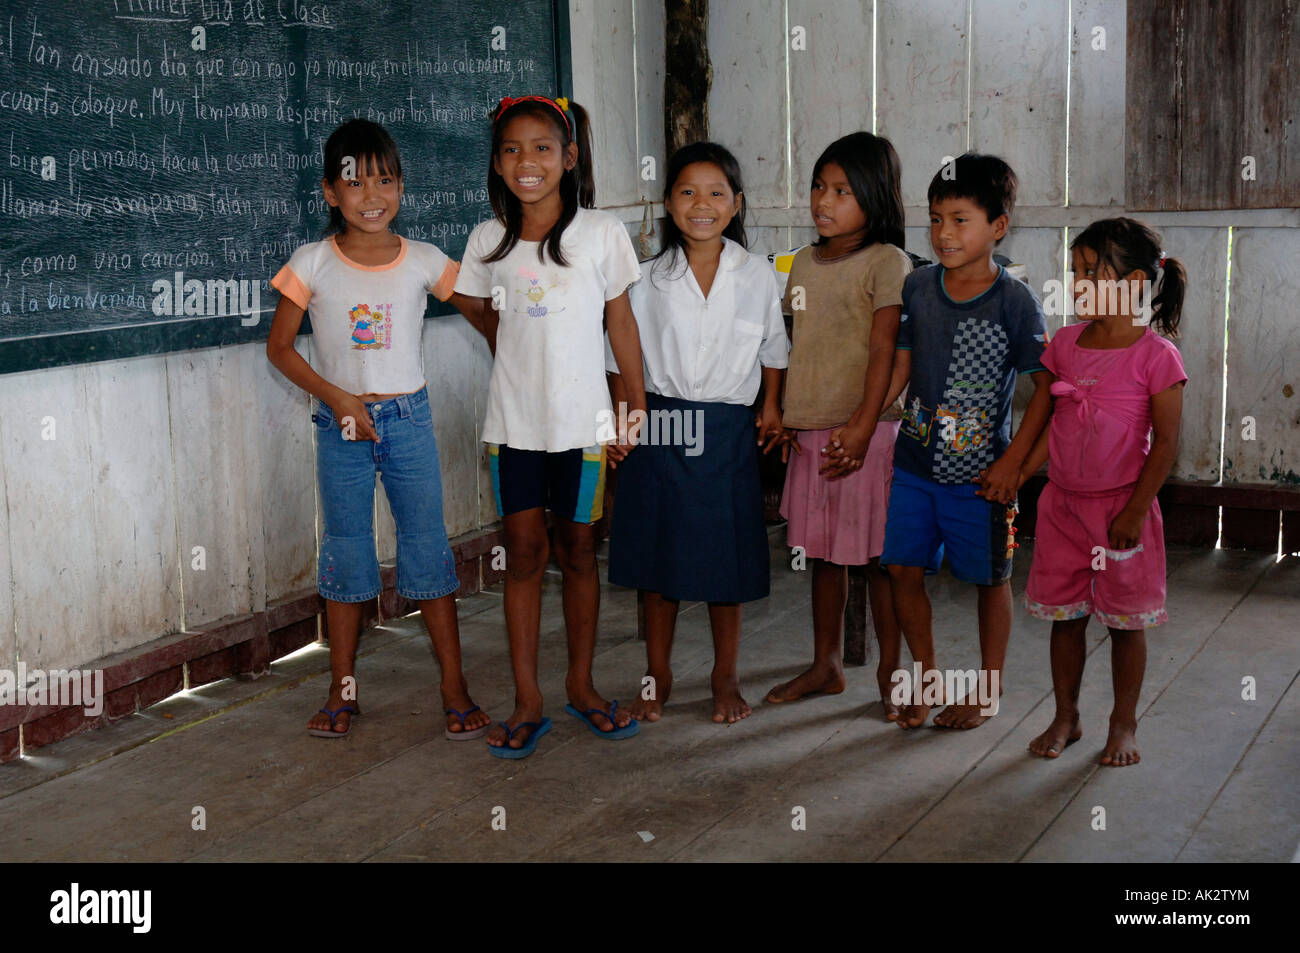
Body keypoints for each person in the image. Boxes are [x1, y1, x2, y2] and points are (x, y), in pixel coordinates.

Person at [266, 119, 491, 741]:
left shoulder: (423, 260)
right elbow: (280, 349)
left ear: (401, 187)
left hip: (408, 419)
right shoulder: (312, 263)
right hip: (341, 424)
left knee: (427, 547)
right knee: (346, 549)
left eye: (385, 180)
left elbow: (483, 313)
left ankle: (455, 687)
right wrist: (339, 397)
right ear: (329, 193)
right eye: (354, 182)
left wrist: (527, 352)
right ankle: (343, 690)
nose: (371, 195)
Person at [454, 95, 648, 758]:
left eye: (541, 147)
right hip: (513, 429)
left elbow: (620, 323)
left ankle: (582, 686)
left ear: (568, 158)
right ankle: (528, 698)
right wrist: (514, 345)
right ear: (497, 163)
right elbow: (480, 310)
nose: (525, 161)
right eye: (511, 149)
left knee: (578, 550)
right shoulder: (487, 240)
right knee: (525, 554)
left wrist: (636, 404)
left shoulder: (601, 235)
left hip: (585, 428)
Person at [606, 142, 789, 724]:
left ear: (736, 204)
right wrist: (624, 420)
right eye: (687, 192)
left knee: (724, 560)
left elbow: (773, 348)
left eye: (716, 193)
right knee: (660, 562)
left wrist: (773, 407)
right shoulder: (646, 279)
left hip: (727, 426)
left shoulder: (758, 274)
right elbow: (620, 357)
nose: (701, 204)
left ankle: (724, 674)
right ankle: (656, 675)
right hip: (660, 422)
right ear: (668, 203)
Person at [882, 152, 1053, 730]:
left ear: (997, 227)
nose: (943, 234)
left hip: (982, 479)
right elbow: (900, 368)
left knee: (988, 581)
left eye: (960, 220)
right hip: (913, 464)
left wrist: (1014, 463)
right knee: (902, 569)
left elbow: (1046, 388)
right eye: (934, 219)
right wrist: (863, 418)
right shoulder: (918, 288)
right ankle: (926, 677)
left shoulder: (1015, 301)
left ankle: (986, 690)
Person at [1023, 218, 1187, 767]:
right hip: (1063, 507)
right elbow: (1052, 426)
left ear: (1135, 279)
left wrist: (1136, 511)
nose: (1077, 283)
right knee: (1064, 619)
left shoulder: (1156, 356)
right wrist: (1019, 475)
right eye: (1074, 272)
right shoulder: (1066, 344)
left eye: (1091, 272)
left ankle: (1123, 723)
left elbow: (1165, 443)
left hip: (1122, 512)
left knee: (1124, 624)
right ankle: (1065, 717)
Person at [765, 132, 912, 718]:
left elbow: (889, 353)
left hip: (866, 435)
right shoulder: (801, 262)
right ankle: (827, 665)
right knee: (824, 557)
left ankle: (890, 671)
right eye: (819, 187)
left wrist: (861, 425)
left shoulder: (887, 262)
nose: (824, 201)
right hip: (810, 433)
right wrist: (779, 410)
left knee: (879, 559)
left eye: (842, 191)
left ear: (874, 198)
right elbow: (789, 342)